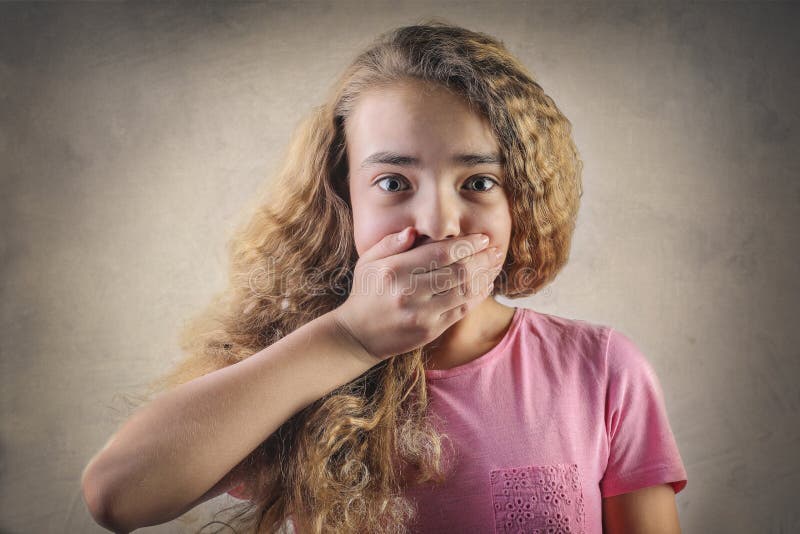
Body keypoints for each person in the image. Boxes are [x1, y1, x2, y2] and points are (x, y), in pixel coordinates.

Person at [81, 18, 687, 534]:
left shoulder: (602, 369)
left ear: (521, 201)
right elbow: (117, 497)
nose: (438, 223)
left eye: (478, 182)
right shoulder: (291, 361)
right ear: (344, 198)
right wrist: (349, 338)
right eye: (394, 183)